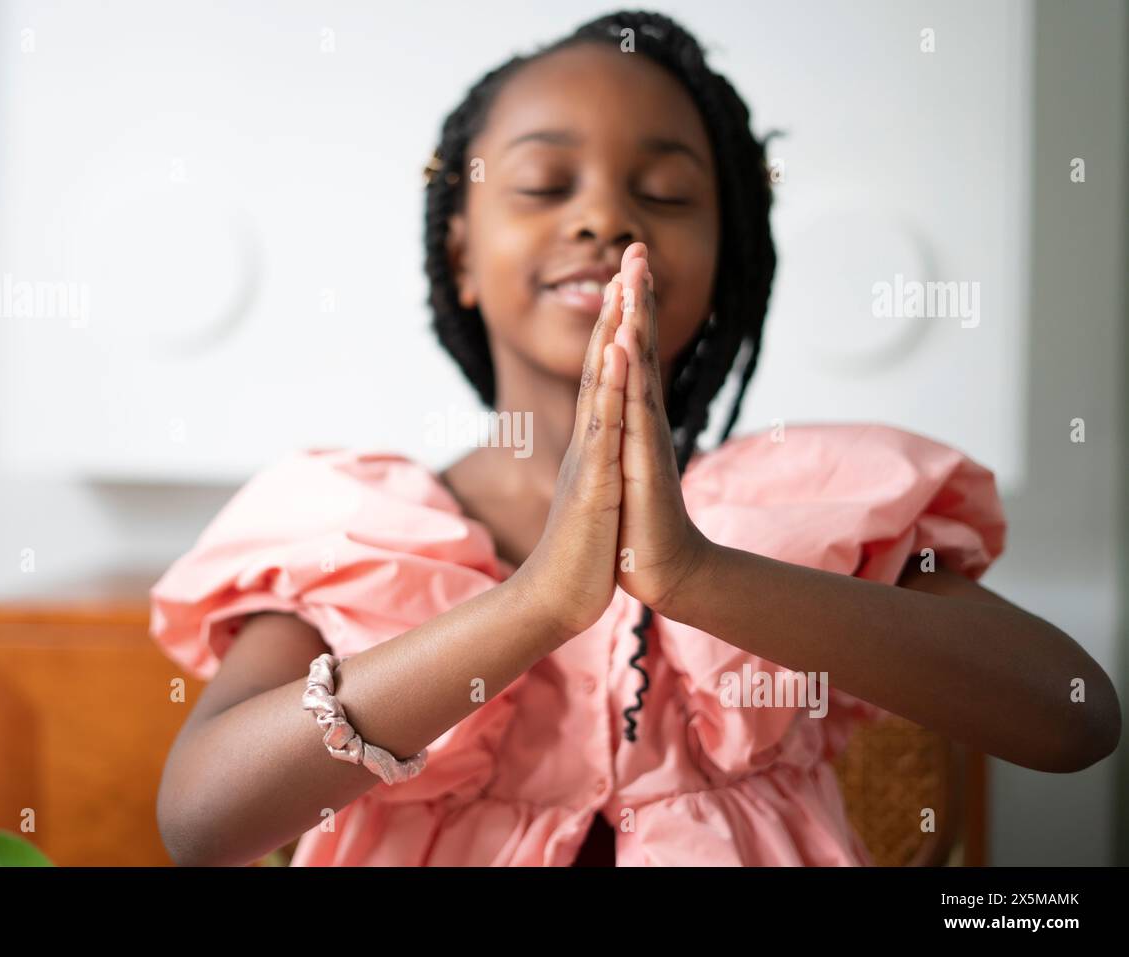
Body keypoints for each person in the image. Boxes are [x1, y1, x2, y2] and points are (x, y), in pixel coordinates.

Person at [149, 10, 1120, 867]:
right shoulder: (354, 532)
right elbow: (201, 821)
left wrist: (695, 573)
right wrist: (534, 605)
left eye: (662, 193)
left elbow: (1076, 717)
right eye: (541, 183)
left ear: (725, 261)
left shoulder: (804, 512)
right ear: (460, 251)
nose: (604, 216)